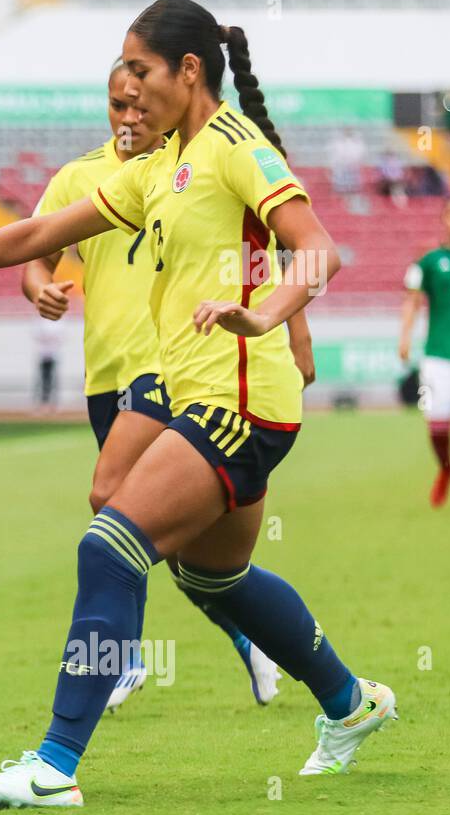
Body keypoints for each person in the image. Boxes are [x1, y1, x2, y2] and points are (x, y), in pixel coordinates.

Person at [0, 0, 395, 808]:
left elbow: (317, 249)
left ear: (189, 71)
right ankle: (350, 703)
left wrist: (265, 313)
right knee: (215, 578)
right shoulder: (157, 166)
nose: (130, 86)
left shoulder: (234, 147)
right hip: (204, 395)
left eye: (142, 70)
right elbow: (31, 237)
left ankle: (54, 767)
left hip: (241, 400)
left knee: (109, 543)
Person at [21, 60, 301, 711]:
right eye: (117, 105)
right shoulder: (81, 178)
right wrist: (42, 291)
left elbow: (282, 255)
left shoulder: (199, 167)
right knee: (186, 552)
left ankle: (116, 667)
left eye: (136, 103)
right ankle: (266, 647)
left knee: (108, 503)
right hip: (106, 373)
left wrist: (289, 334)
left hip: (168, 371)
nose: (127, 116)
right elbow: (35, 252)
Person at [400, 197, 450, 513]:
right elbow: (413, 300)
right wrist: (405, 336)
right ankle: (446, 468)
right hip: (437, 355)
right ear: (443, 220)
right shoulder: (428, 262)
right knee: (438, 428)